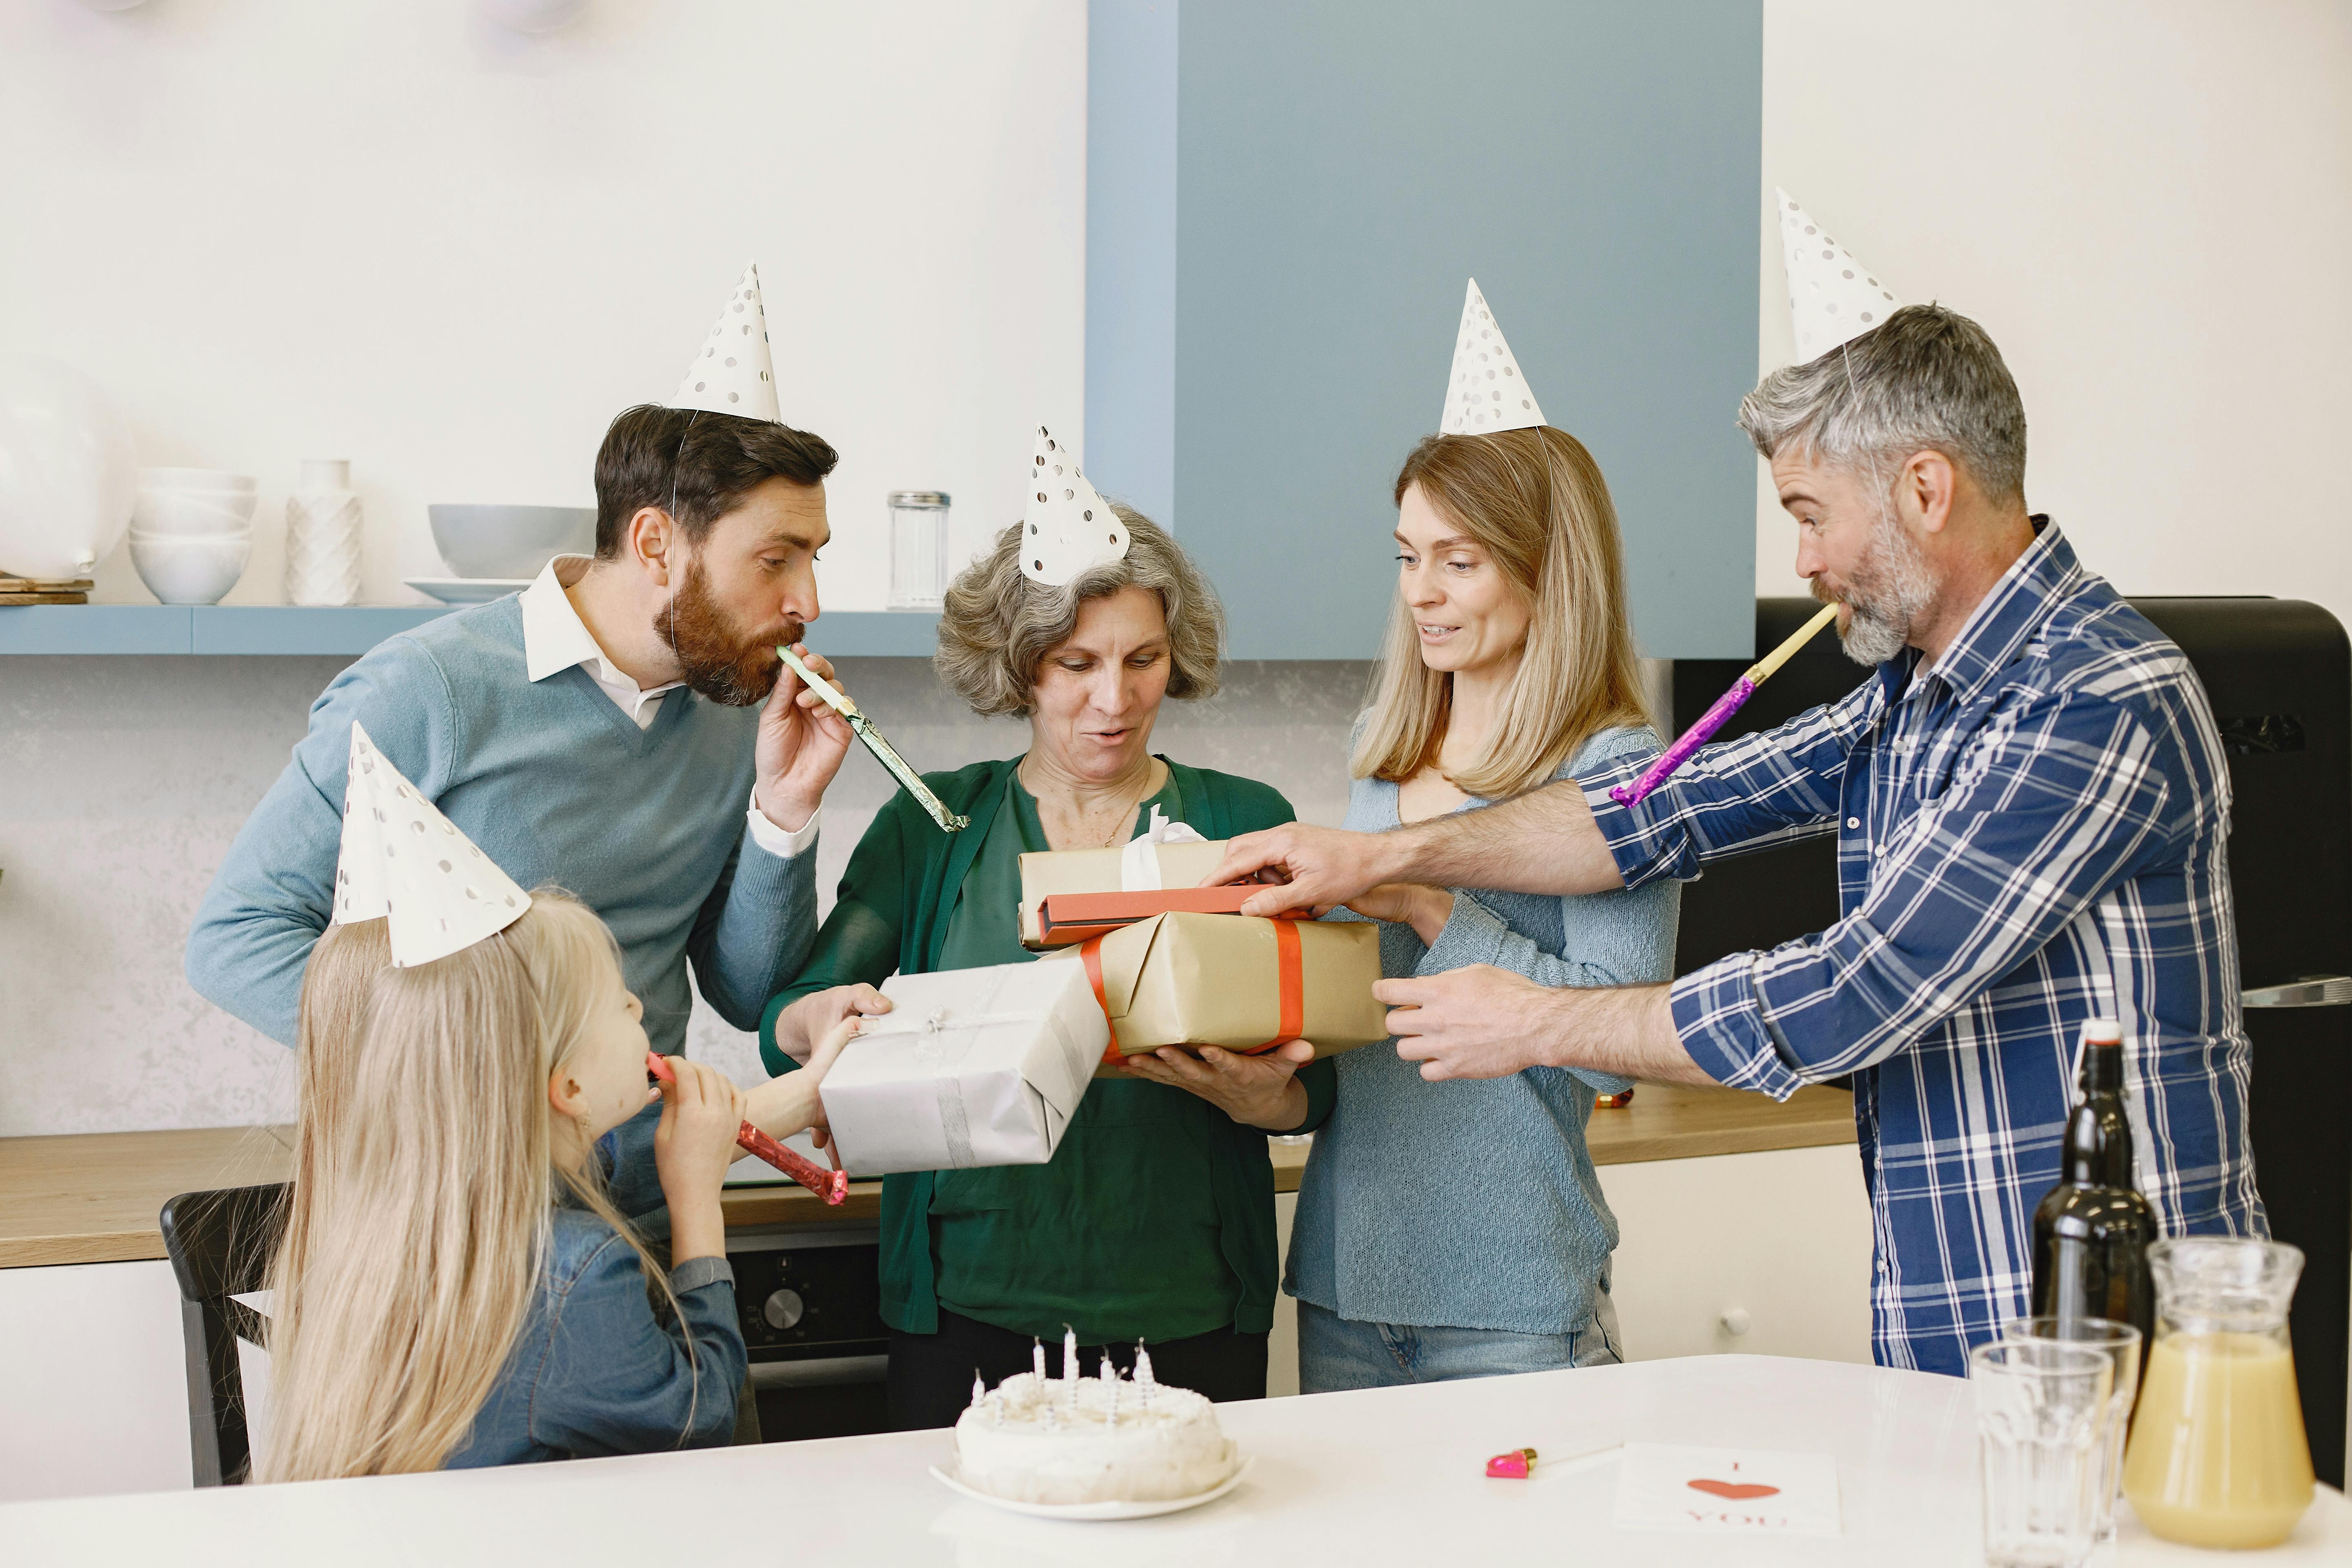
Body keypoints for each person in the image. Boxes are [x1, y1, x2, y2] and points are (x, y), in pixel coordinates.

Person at [1212, 304, 2264, 1376]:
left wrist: (1531, 1016)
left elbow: (1853, 995)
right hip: (1948, 1307)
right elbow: (1655, 813)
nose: (1805, 561)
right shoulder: (1905, 701)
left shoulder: (2095, 701)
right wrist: (1385, 855)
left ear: (1925, 491)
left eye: (1812, 515)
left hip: (2107, 1321)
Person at [186, 403, 884, 1177]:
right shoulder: (427, 688)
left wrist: (782, 812)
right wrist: (477, 1082)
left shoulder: (731, 715)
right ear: (656, 544)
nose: (808, 603)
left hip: (656, 1219)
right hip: (457, 1227)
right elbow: (236, 938)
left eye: (814, 558)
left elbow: (749, 996)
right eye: (775, 560)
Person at [761, 506, 1335, 1429]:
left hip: (1189, 1309)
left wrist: (1265, 1100)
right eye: (1077, 664)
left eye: (1142, 660)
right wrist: (825, 1025)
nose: (1115, 700)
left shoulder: (1245, 823)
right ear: (1022, 666)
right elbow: (785, 1021)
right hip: (967, 1311)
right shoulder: (934, 825)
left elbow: (1328, 1084)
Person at [1289, 424, 1677, 1392]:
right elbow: (1364, 1024)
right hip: (1346, 1286)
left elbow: (1617, 1046)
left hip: (1513, 1297)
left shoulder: (1618, 772)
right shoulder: (1381, 752)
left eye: (1458, 562)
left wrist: (1428, 906)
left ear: (1551, 571)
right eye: (1409, 557)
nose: (1420, 592)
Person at [258, 884, 860, 1479]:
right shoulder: (578, 1271)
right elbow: (701, 1423)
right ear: (570, 1087)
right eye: (615, 1003)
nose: (638, 1007)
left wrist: (803, 1096)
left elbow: (615, 1163)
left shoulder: (405, 1217)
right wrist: (697, 1202)